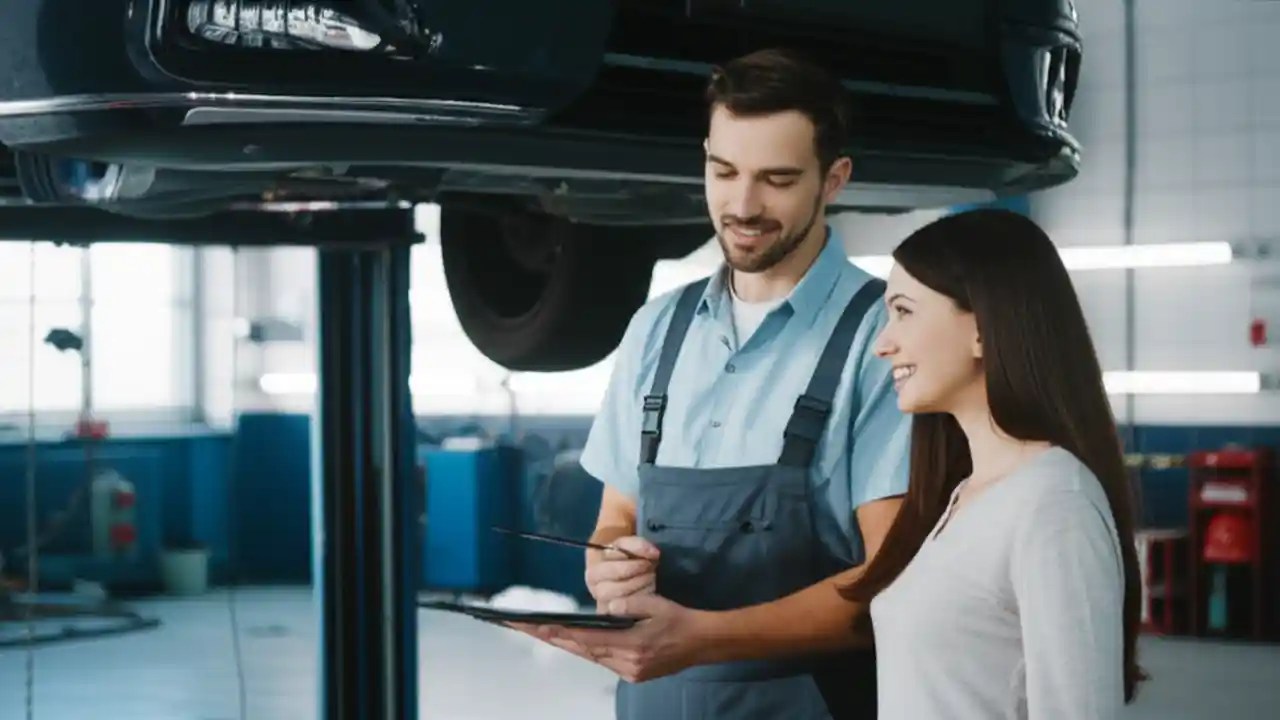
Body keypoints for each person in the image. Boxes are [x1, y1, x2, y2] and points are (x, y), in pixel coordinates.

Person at [513, 47, 910, 719]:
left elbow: (891, 586)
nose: (743, 205)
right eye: (723, 171)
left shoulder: (886, 336)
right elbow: (617, 519)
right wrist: (610, 566)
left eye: (777, 180)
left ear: (834, 179)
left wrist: (701, 640)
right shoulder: (656, 329)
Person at [839, 208, 1146, 719]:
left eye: (904, 311)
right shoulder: (962, 494)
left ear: (982, 329)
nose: (882, 344)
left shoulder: (1053, 505)